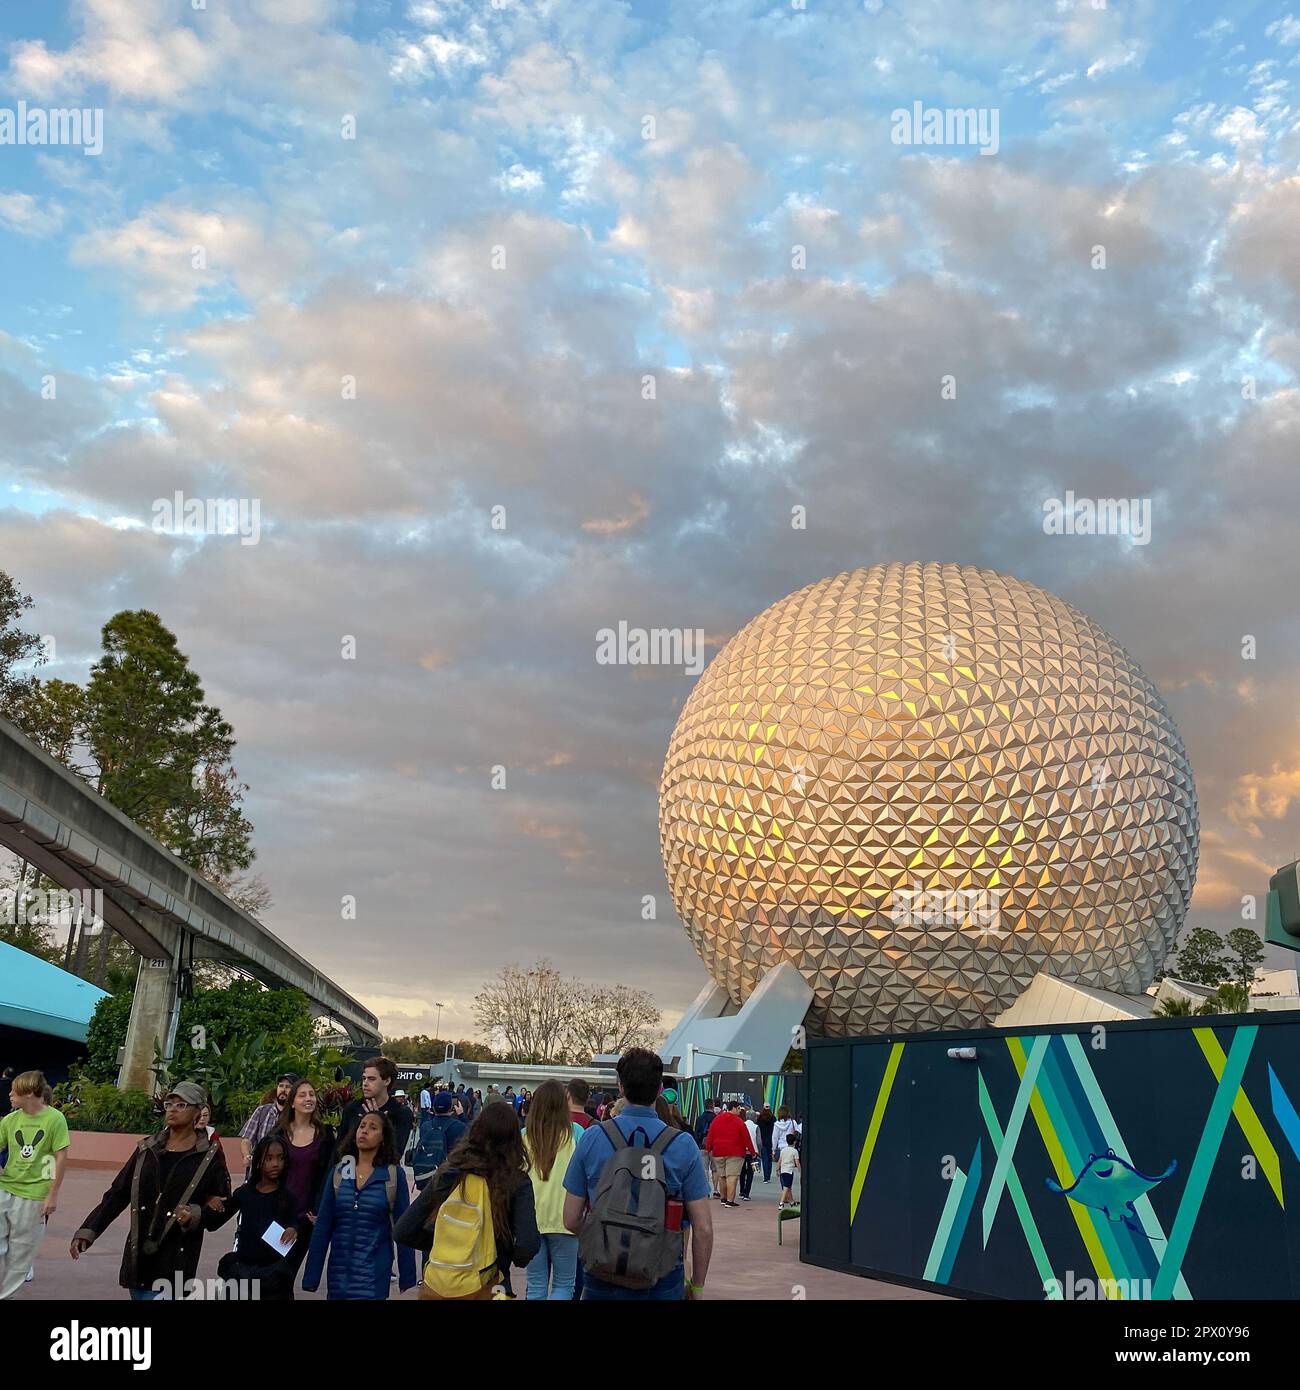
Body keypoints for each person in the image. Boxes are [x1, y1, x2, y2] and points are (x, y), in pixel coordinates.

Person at [563, 1048, 713, 1301]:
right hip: (661, 1275)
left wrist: (604, 1239)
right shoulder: (683, 1144)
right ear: (658, 1090)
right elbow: (703, 1228)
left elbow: (570, 1218)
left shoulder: (593, 1137)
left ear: (620, 1087)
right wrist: (696, 1286)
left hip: (603, 1273)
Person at [71, 1082, 230, 1299]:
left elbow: (223, 1204)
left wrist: (196, 1214)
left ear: (198, 1111)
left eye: (181, 1104)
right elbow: (118, 1194)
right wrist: (89, 1230)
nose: (172, 1109)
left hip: (176, 1257)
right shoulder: (147, 1149)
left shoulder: (209, 1156)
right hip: (140, 1253)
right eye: (169, 1104)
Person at [394, 1099, 539, 1300]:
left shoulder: (449, 1173)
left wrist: (447, 1246)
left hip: (439, 1282)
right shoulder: (516, 1181)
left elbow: (403, 1230)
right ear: (514, 1140)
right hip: (491, 1284)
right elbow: (528, 1243)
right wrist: (509, 1257)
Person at [302, 1112, 416, 1299]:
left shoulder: (392, 1176)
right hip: (339, 1275)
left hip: (373, 1276)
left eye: (373, 1128)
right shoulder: (339, 1172)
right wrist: (311, 1276)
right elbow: (323, 1227)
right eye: (362, 1126)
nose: (364, 1131)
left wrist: (407, 1278)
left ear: (383, 1138)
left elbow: (403, 1229)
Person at [201, 1134, 304, 1300]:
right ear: (258, 1161)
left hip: (273, 1276)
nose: (275, 1164)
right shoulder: (245, 1193)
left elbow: (295, 1222)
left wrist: (294, 1229)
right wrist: (210, 1202)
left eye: (280, 1158)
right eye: (269, 1158)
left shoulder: (288, 1197)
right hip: (243, 1271)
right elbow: (215, 1220)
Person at [0, 1069, 69, 1299]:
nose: (10, 1094)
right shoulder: (10, 1120)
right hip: (6, 1188)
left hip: (34, 1194)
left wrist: (53, 1194)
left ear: (29, 1093)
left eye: (14, 1091)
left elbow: (61, 1156)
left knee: (21, 1253)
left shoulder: (55, 1119)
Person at [521, 1079, 579, 1299]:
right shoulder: (575, 1134)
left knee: (535, 1284)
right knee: (564, 1285)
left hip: (531, 1220)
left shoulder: (525, 1136)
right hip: (566, 1218)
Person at [278, 1080, 335, 1230]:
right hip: (278, 1211)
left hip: (309, 1215)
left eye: (312, 1094)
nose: (308, 1099)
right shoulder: (279, 1133)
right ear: (292, 1103)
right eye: (302, 1095)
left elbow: (328, 1174)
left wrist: (320, 1209)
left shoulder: (326, 1134)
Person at [338, 1057, 414, 1160]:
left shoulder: (401, 1113)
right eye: (364, 1078)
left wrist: (378, 1121)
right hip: (351, 1171)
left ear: (386, 1081)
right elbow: (339, 1148)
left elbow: (395, 1154)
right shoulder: (352, 1108)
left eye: (371, 1079)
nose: (365, 1083)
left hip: (382, 1173)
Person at [239, 1074, 297, 1173]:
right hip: (259, 1172)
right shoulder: (262, 1111)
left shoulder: (297, 1116)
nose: (283, 1089)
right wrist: (247, 1155)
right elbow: (246, 1139)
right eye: (281, 1086)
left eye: (288, 1087)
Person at [411, 1091, 467, 1192]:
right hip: (449, 1176)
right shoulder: (459, 1126)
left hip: (427, 1175)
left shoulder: (425, 1126)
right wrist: (461, 1115)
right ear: (451, 1107)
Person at [704, 1102, 756, 1208]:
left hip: (718, 1151)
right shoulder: (739, 1122)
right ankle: (730, 1200)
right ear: (734, 1108)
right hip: (735, 1152)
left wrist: (708, 1148)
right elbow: (746, 1138)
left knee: (722, 1176)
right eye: (738, 1109)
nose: (739, 1111)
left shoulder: (717, 1119)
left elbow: (711, 1134)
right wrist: (752, 1152)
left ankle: (723, 1198)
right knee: (732, 1176)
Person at [739, 1109, 761, 1201]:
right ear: (754, 1118)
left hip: (742, 1152)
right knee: (751, 1172)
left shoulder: (741, 1124)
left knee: (742, 1172)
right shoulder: (756, 1127)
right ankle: (747, 1193)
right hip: (753, 1153)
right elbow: (759, 1142)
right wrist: (759, 1151)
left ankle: (741, 1191)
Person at [778, 1132, 801, 1208]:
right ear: (794, 1142)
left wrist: (777, 1169)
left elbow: (780, 1161)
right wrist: (800, 1171)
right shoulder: (795, 1151)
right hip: (789, 1171)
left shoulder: (783, 1150)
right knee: (786, 1187)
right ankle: (781, 1203)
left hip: (783, 1170)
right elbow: (797, 1163)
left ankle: (792, 1202)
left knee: (788, 1187)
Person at [756, 1105, 777, 1183]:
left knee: (764, 1159)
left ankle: (766, 1177)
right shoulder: (773, 1118)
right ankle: (768, 1176)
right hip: (771, 1141)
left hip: (763, 1141)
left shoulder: (760, 1118)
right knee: (769, 1159)